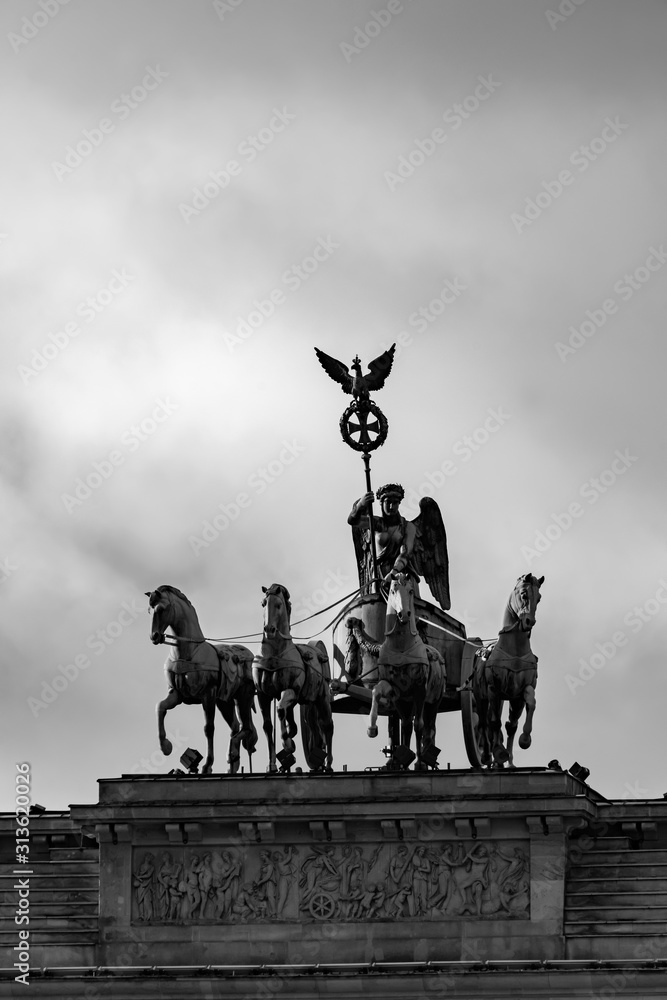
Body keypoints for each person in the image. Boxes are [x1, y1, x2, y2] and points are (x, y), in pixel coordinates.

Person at [347, 483, 450, 609]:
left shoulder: (408, 527)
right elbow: (353, 521)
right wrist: (360, 505)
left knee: (406, 612)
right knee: (379, 614)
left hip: (402, 575)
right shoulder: (375, 524)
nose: (391, 506)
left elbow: (405, 553)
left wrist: (394, 572)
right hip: (379, 575)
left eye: (395, 502)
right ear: (381, 503)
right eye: (388, 502)